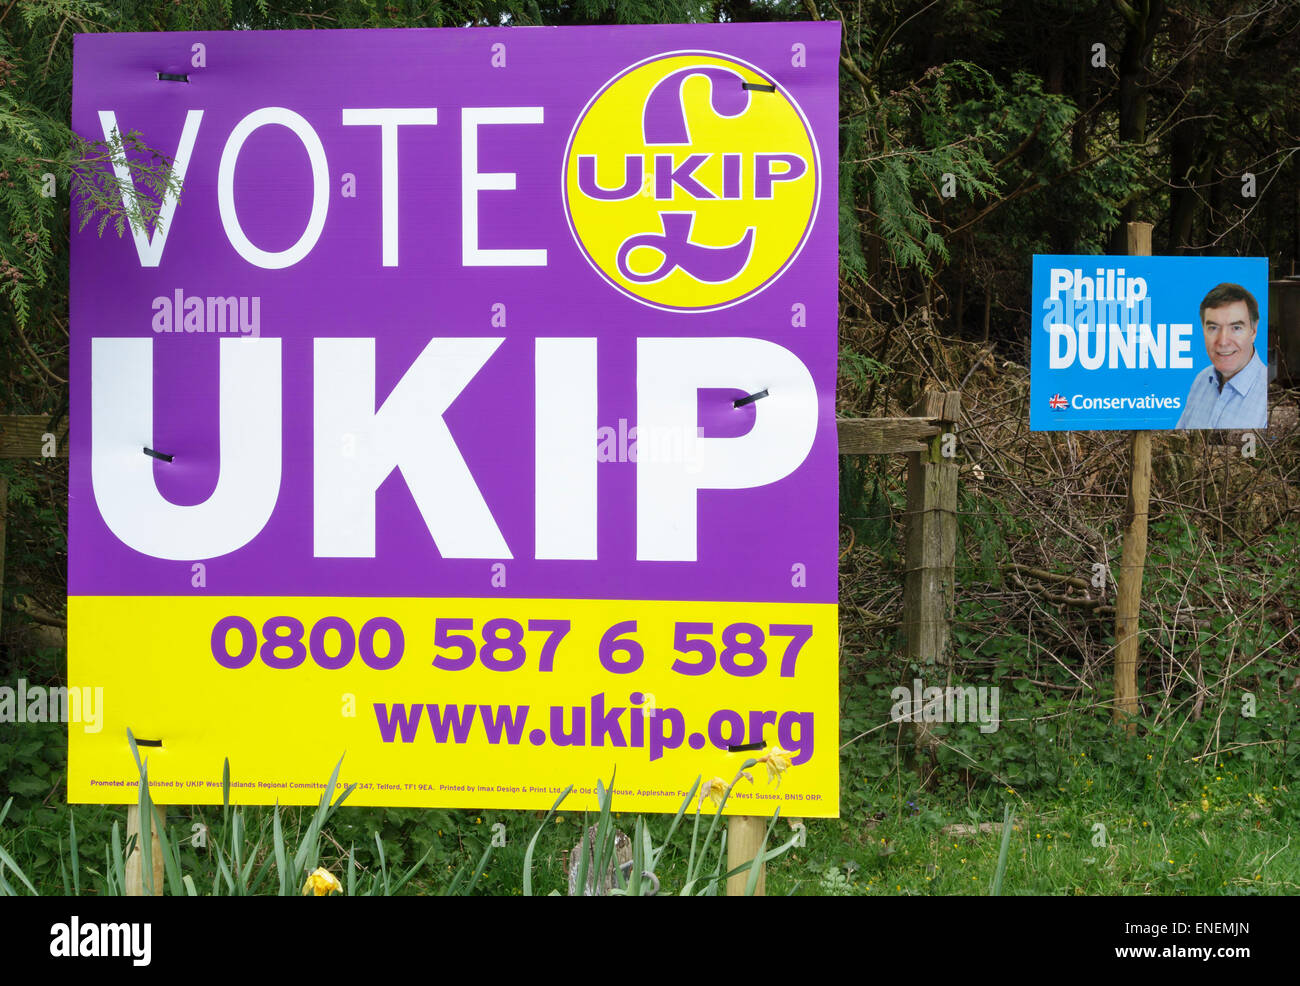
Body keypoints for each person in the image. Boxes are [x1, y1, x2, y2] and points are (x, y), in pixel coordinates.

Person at [1175, 283, 1268, 429]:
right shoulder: (1201, 380)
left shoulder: (1268, 393)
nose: (1223, 341)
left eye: (1236, 328)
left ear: (1253, 331)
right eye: (1213, 328)